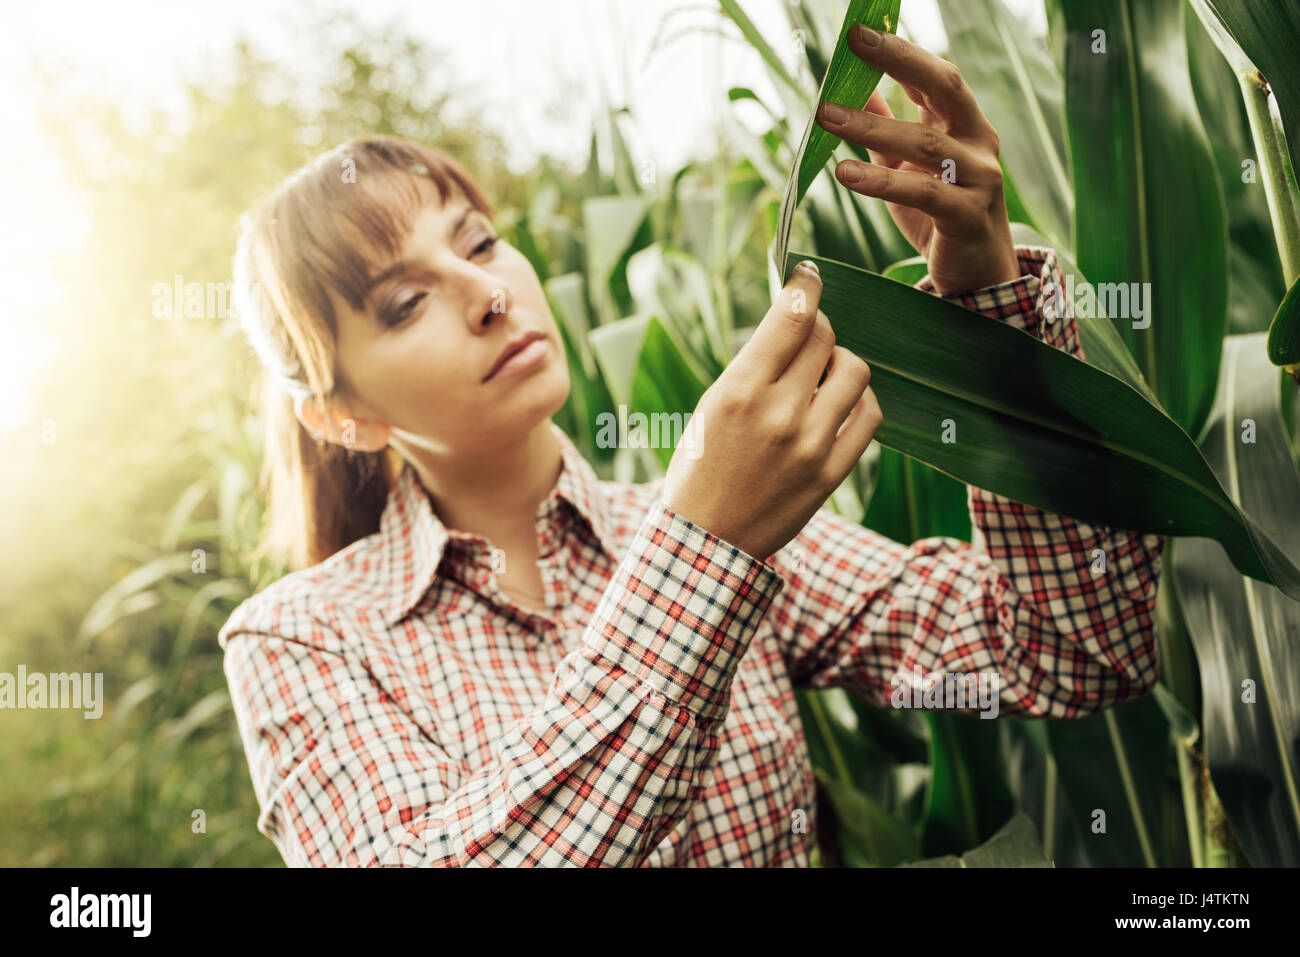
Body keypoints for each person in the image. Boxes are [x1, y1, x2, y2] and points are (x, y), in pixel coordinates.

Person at [219, 24, 1164, 867]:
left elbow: (1074, 653)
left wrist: (985, 325)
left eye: (478, 242)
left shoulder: (720, 525)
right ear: (345, 417)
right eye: (405, 302)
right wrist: (705, 551)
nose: (490, 293)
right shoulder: (300, 641)